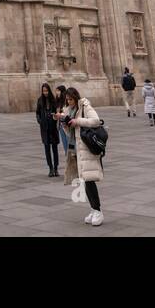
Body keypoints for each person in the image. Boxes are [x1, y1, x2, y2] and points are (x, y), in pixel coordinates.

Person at [64, 87, 106, 226]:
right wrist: (65, 123)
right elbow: (70, 133)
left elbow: (96, 121)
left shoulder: (85, 106)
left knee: (89, 180)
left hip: (87, 149)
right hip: (78, 150)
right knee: (85, 181)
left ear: (75, 98)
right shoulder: (71, 110)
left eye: (70, 99)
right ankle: (94, 209)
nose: (68, 102)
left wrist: (78, 121)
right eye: (67, 100)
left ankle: (98, 211)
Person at [35, 82, 61, 176]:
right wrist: (39, 120)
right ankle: (50, 168)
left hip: (53, 127)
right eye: (43, 91)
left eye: (46, 91)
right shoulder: (40, 100)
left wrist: (55, 116)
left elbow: (57, 112)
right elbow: (37, 112)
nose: (45, 92)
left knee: (54, 148)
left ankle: (56, 168)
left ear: (49, 91)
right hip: (44, 128)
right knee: (47, 149)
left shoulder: (53, 100)